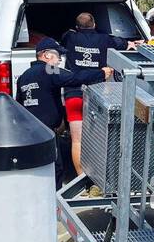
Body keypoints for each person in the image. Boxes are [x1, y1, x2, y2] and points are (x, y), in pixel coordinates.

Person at [14, 37, 112, 186]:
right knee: (56, 169)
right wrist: (100, 73)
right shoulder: (47, 69)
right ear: (46, 55)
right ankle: (54, 204)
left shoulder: (24, 76)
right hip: (45, 132)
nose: (59, 60)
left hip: (28, 133)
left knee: (35, 170)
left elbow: (18, 105)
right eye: (58, 56)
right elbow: (74, 77)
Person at [60, 12, 142, 176]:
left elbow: (63, 39)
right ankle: (97, 177)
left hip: (74, 95)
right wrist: (133, 43)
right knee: (97, 139)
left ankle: (80, 177)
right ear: (95, 25)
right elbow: (124, 44)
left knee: (77, 140)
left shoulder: (69, 37)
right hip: (97, 96)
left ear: (77, 27)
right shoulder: (105, 39)